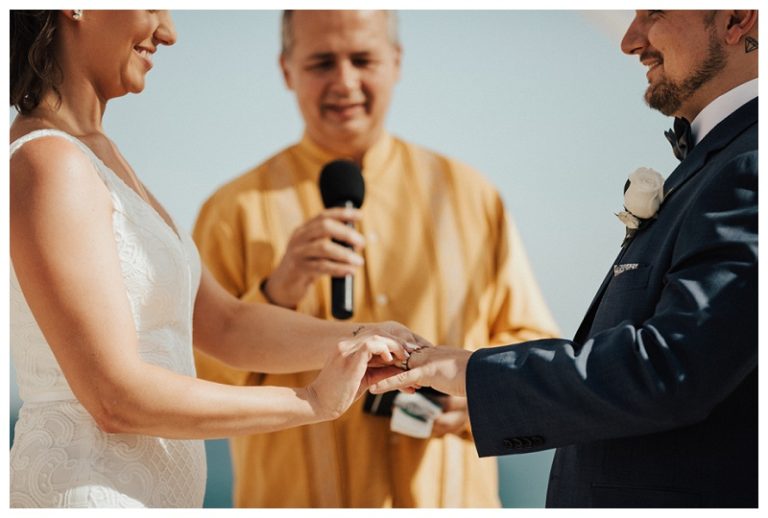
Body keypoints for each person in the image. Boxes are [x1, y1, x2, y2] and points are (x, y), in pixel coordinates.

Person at [9, 10, 422, 508]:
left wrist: (364, 337)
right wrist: (310, 401)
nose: (168, 32)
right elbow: (113, 397)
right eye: (152, 7)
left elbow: (226, 325)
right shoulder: (47, 162)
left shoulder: (98, 156)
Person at [371, 9, 758, 508]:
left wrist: (475, 373)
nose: (629, 40)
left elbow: (674, 367)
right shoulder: (716, 161)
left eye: (654, 12)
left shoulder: (750, 163)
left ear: (736, 20)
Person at [192, 10, 558, 508]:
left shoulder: (469, 196)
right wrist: (278, 290)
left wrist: (476, 401)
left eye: (362, 59)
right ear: (286, 69)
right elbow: (196, 380)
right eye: (322, 62)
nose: (344, 82)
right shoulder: (231, 211)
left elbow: (531, 343)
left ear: (396, 62)